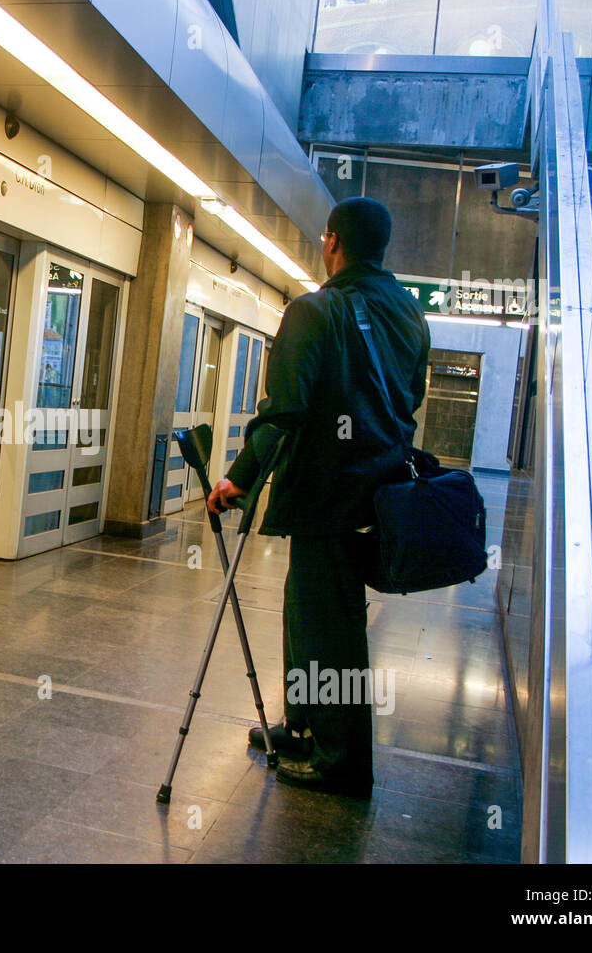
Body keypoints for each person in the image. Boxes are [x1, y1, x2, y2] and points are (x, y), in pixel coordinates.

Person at [207, 196, 430, 798]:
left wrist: (239, 477)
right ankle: (303, 727)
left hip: (327, 495)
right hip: (380, 493)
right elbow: (409, 399)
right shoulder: (409, 314)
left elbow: (284, 411)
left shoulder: (315, 311)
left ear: (332, 242)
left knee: (328, 628)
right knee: (312, 616)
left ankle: (343, 761)